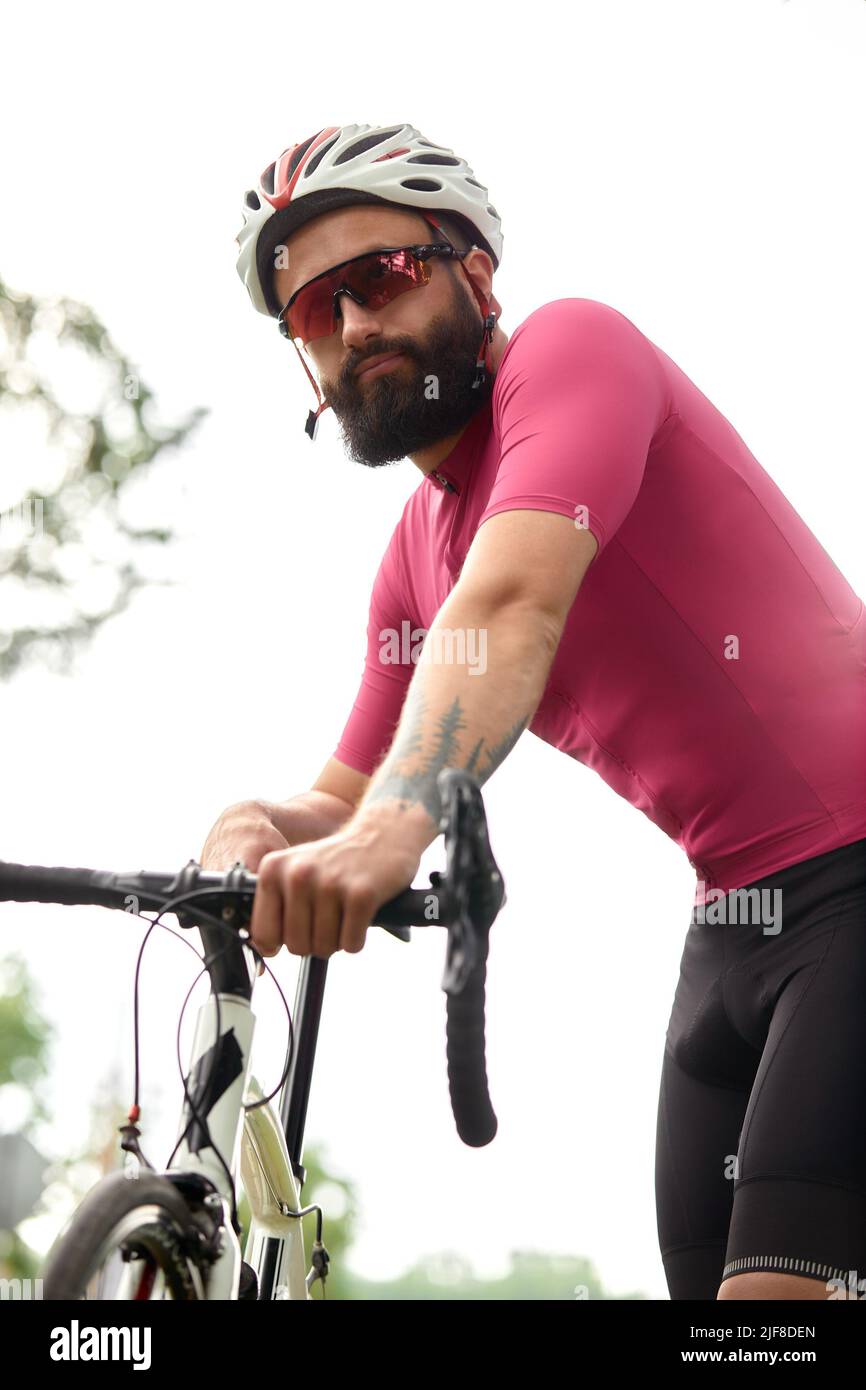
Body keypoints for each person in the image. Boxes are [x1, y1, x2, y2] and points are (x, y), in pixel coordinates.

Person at [202, 122, 866, 1302]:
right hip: (733, 924)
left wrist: (390, 831)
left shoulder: (571, 351)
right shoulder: (414, 549)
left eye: (380, 278)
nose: (353, 326)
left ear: (474, 270)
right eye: (313, 314)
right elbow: (344, 797)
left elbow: (511, 604)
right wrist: (257, 826)